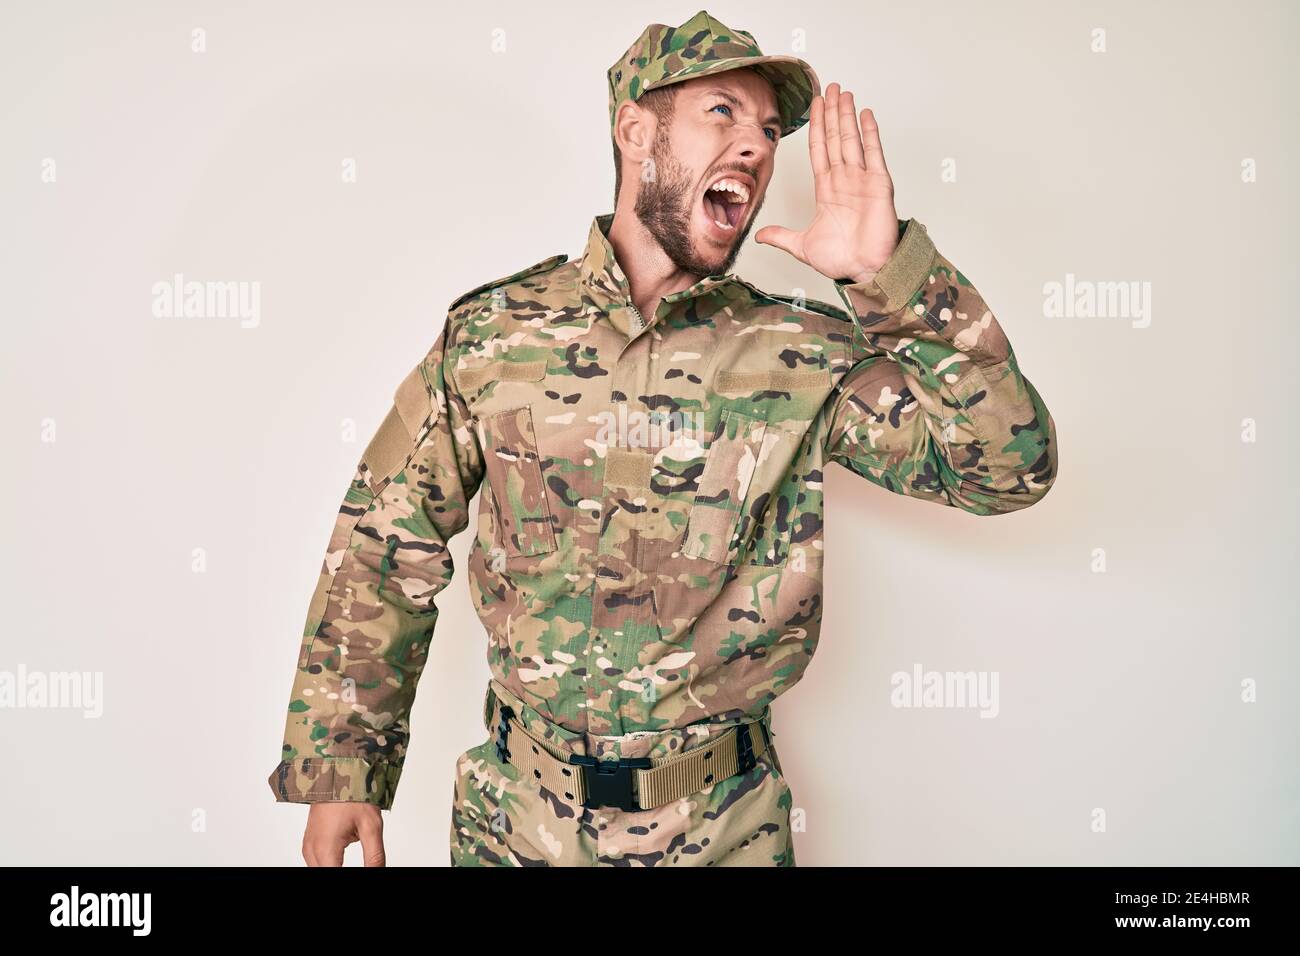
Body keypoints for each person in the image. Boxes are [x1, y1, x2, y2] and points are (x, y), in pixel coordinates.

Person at [268, 9, 1058, 867]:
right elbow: (387, 538)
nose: (755, 147)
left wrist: (893, 279)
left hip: (723, 833)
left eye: (767, 130)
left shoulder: (801, 350)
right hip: (515, 829)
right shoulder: (494, 335)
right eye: (723, 112)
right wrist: (345, 763)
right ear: (635, 131)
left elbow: (1008, 470)